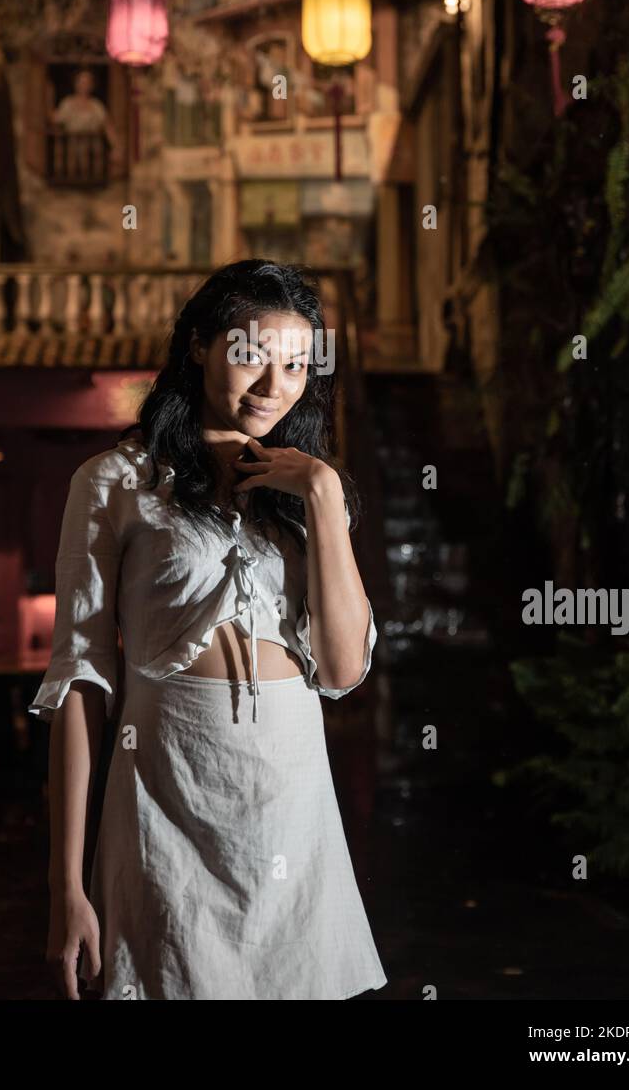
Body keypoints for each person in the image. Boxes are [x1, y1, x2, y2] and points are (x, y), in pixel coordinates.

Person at [29, 259, 387, 1000]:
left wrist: (321, 496)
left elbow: (344, 670)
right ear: (199, 344)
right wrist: (67, 885)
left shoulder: (313, 491)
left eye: (294, 366)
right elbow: (79, 680)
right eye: (250, 355)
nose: (272, 386)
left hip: (292, 804)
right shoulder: (114, 483)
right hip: (167, 793)